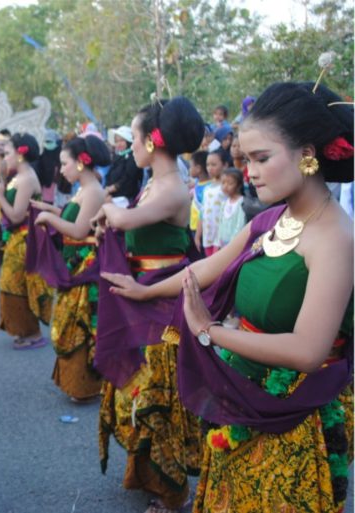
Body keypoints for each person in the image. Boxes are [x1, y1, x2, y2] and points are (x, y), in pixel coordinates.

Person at [101, 81, 353, 513]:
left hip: (295, 411)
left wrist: (209, 332)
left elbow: (308, 351)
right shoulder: (272, 219)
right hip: (242, 389)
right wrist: (145, 290)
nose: (249, 172)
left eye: (261, 158)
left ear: (307, 154)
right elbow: (201, 271)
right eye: (244, 159)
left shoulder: (334, 237)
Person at [92, 97, 205, 513]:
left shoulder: (172, 186)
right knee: (144, 387)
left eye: (134, 139)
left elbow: (123, 221)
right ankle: (153, 478)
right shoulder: (156, 182)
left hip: (166, 301)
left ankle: (173, 491)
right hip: (147, 292)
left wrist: (106, 209)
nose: (129, 148)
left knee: (160, 391)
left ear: (152, 141)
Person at [30, 134, 109, 400]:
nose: (60, 168)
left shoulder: (94, 191)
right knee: (70, 321)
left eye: (64, 163)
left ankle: (85, 385)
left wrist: (49, 219)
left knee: (80, 322)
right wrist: (49, 210)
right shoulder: (84, 190)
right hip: (75, 264)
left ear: (80, 163)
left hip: (85, 266)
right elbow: (72, 218)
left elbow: (78, 230)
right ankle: (78, 383)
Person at [0, 133, 53, 349]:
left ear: (20, 155)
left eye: (8, 153)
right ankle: (23, 330)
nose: (5, 158)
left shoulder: (27, 178)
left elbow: (17, 215)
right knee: (13, 283)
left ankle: (33, 333)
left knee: (17, 284)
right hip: (16, 239)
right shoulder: (18, 177)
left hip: (25, 240)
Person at [195, 151, 228, 256]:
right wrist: (197, 235)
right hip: (208, 237)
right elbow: (202, 213)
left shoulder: (227, 187)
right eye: (208, 165)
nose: (209, 168)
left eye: (213, 165)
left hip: (222, 238)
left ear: (225, 165)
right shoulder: (207, 188)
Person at [105, 125, 143, 206]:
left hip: (126, 199)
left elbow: (129, 178)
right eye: (116, 141)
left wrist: (113, 188)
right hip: (112, 197)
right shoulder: (117, 156)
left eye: (122, 140)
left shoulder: (133, 157)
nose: (118, 144)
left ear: (128, 141)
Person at [216, 167, 246, 247]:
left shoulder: (242, 203)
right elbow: (220, 224)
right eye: (223, 183)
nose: (225, 186)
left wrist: (232, 245)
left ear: (239, 185)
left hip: (235, 245)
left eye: (230, 183)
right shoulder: (224, 203)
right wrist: (218, 242)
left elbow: (240, 225)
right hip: (223, 244)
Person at [188, 150, 210, 237]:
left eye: (190, 167)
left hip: (200, 229)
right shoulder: (199, 182)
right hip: (193, 225)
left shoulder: (207, 188)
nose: (189, 169)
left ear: (198, 168)